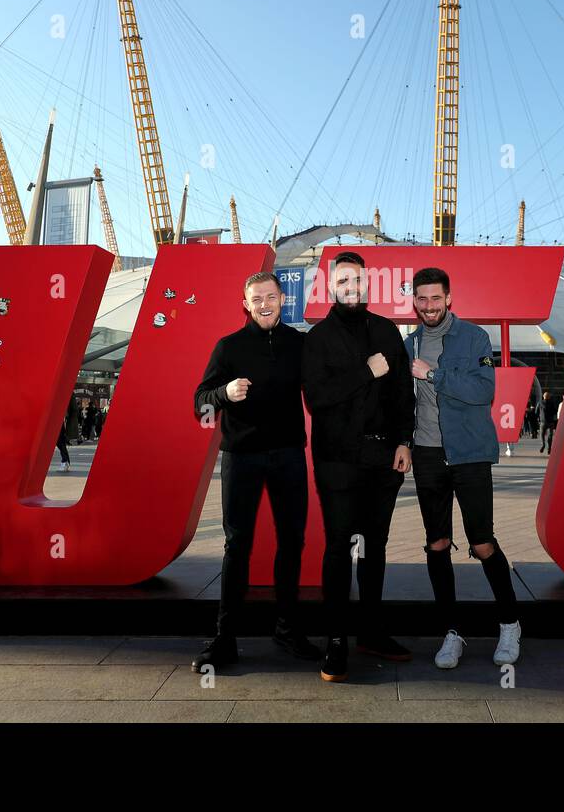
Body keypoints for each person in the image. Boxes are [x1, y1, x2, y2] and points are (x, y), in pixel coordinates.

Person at [189, 271, 319, 672]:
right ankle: (225, 638)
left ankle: (287, 628)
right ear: (245, 304)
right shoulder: (228, 347)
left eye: (270, 296)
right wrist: (223, 394)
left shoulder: (300, 344)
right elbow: (200, 403)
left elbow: (323, 389)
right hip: (242, 456)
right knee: (237, 545)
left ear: (283, 299)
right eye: (256, 299)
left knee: (292, 541)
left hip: (288, 456)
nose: (264, 304)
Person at [301, 250, 414, 683]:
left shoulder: (387, 331)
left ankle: (371, 631)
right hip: (337, 461)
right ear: (331, 286)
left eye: (358, 281)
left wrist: (404, 441)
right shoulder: (318, 337)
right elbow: (317, 398)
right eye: (343, 281)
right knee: (338, 549)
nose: (351, 288)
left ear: (368, 284)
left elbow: (404, 392)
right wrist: (366, 372)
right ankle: (336, 641)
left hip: (383, 460)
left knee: (374, 547)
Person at [404, 267, 520, 670]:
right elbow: (405, 403)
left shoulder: (474, 337)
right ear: (414, 300)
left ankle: (509, 623)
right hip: (427, 455)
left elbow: (482, 390)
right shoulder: (409, 343)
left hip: (468, 453)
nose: (429, 306)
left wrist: (433, 374)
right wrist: (404, 443)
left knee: (482, 542)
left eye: (436, 298)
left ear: (449, 299)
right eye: (422, 298)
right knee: (436, 543)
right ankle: (452, 633)